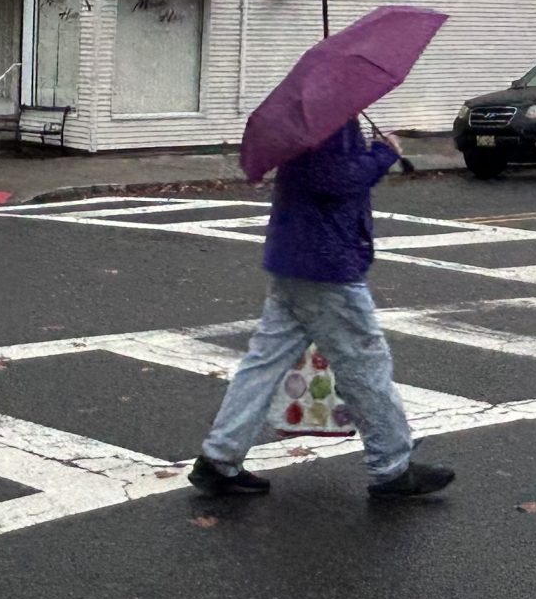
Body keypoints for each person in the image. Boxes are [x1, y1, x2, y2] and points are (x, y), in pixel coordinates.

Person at [189, 119, 455, 501]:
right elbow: (337, 181)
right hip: (326, 265)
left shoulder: (310, 122)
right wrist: (384, 153)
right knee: (366, 364)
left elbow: (329, 176)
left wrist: (369, 149)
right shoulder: (326, 126)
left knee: (263, 364)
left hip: (293, 257)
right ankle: (393, 468)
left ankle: (219, 459)